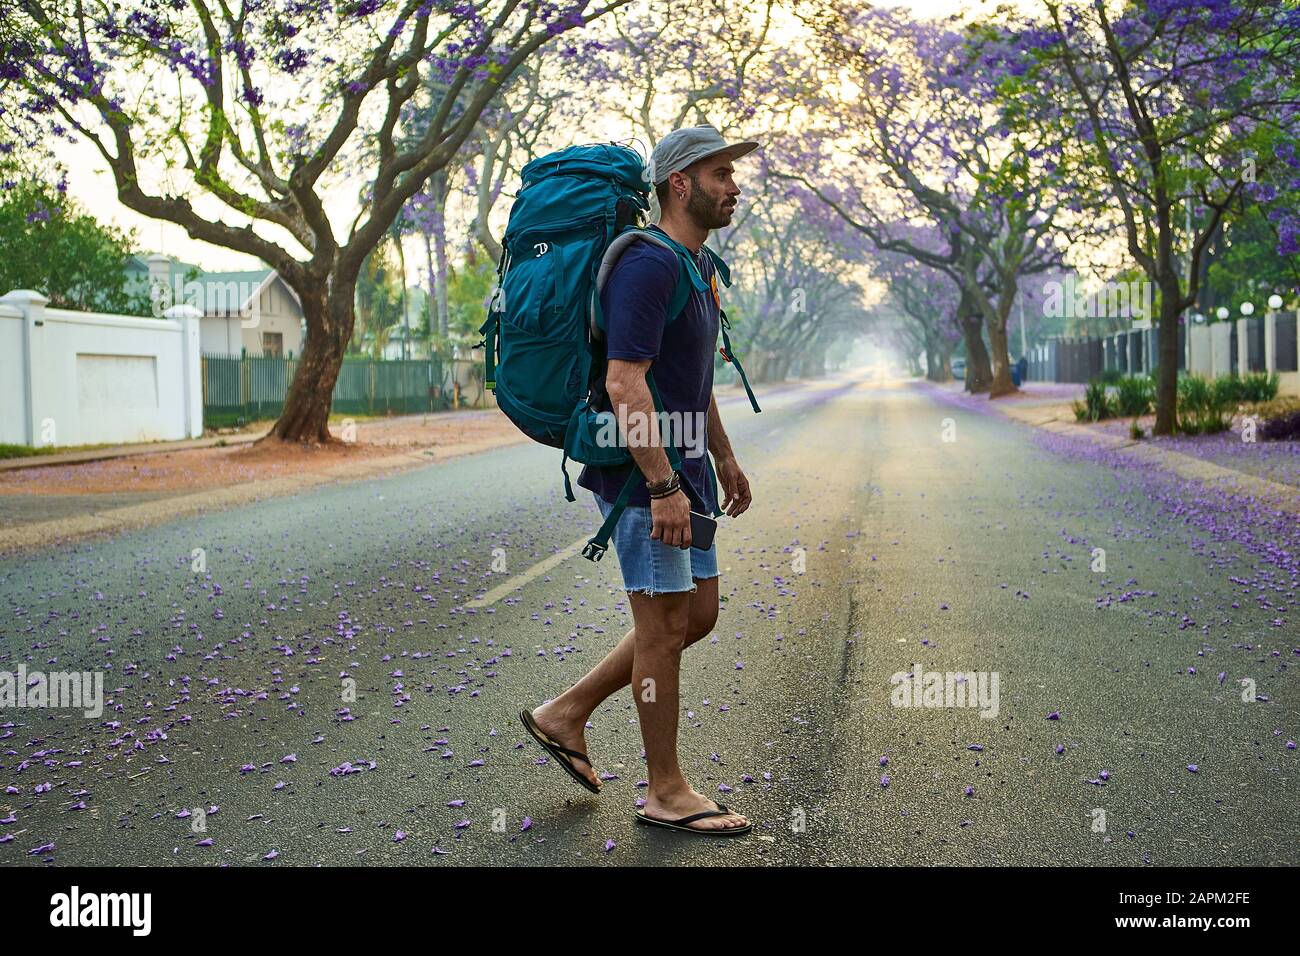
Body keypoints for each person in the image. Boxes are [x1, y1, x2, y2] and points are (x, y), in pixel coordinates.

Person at [521, 125, 757, 836]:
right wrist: (661, 486)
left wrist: (722, 457)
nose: (734, 186)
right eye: (720, 174)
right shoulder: (648, 266)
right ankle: (665, 791)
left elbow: (691, 376)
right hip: (639, 473)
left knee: (698, 615)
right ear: (679, 184)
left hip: (684, 464)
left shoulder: (698, 267)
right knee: (660, 627)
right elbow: (626, 383)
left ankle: (564, 713)